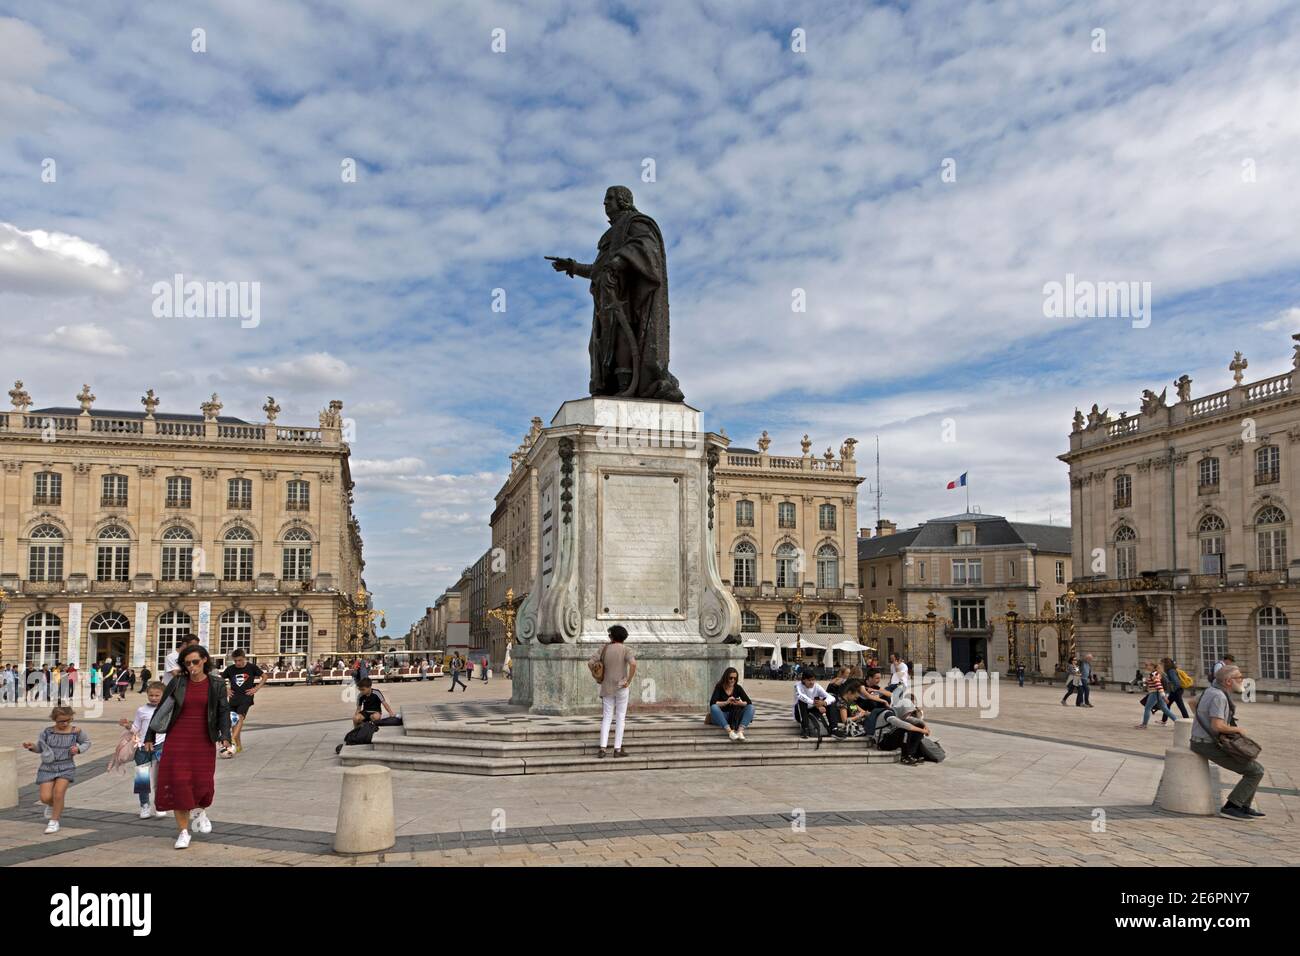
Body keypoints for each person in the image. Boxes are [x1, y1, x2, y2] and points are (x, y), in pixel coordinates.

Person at [143, 644, 233, 850]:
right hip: (178, 739)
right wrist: (150, 734)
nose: (191, 666)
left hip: (203, 739)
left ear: (204, 660)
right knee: (179, 783)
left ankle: (200, 812)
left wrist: (226, 735)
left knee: (202, 783)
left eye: (195, 661)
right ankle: (183, 832)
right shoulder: (178, 682)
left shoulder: (216, 683)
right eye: (187, 663)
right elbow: (161, 711)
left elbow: (223, 711)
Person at [1190, 665, 1265, 821]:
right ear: (1229, 681)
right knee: (1255, 771)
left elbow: (1192, 702)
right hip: (1208, 744)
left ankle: (1243, 806)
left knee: (1254, 767)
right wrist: (1238, 730)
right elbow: (1217, 726)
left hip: (1201, 740)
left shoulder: (1210, 690)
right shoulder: (1219, 696)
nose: (1242, 680)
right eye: (1239, 677)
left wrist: (1201, 720)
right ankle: (1232, 807)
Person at [24, 706, 91, 834]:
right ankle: (52, 805)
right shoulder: (48, 732)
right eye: (61, 721)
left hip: (66, 766)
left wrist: (79, 749)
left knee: (59, 794)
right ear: (54, 719)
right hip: (47, 767)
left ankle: (54, 821)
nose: (65, 723)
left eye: (67, 720)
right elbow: (41, 748)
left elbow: (87, 742)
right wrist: (32, 747)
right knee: (45, 797)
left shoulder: (75, 731)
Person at [120, 681, 168, 819]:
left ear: (163, 695)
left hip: (160, 745)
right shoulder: (142, 710)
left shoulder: (167, 710)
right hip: (141, 747)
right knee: (142, 778)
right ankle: (144, 805)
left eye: (157, 695)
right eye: (151, 695)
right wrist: (127, 725)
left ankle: (160, 804)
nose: (153, 698)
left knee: (160, 777)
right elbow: (136, 728)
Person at [590, 625, 637, 758]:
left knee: (607, 717)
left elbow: (590, 663)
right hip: (621, 686)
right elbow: (633, 664)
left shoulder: (603, 649)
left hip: (606, 686)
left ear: (612, 636)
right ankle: (617, 749)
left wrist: (597, 675)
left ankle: (603, 748)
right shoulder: (626, 649)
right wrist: (629, 680)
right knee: (620, 717)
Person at [220, 649, 267, 756]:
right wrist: (226, 689)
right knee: (233, 720)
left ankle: (231, 740)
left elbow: (264, 676)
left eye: (240, 660)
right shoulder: (230, 669)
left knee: (240, 717)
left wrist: (256, 688)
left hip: (246, 697)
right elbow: (220, 680)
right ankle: (239, 745)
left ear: (244, 658)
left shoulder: (251, 667)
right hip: (233, 698)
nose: (237, 663)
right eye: (235, 661)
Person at [877, 698, 934, 766]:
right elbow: (904, 725)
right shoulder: (888, 713)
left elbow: (916, 721)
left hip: (892, 739)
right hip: (883, 742)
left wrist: (925, 727)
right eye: (908, 712)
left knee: (919, 726)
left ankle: (911, 755)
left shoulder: (900, 714)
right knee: (905, 729)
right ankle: (905, 757)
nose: (909, 715)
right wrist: (923, 731)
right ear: (902, 709)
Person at [708, 667, 754, 741]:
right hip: (722, 715)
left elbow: (748, 702)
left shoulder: (737, 687)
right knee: (714, 707)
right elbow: (712, 703)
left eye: (735, 678)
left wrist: (739, 703)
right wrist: (726, 702)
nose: (733, 680)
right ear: (726, 677)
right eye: (730, 678)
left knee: (751, 707)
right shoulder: (719, 687)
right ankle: (730, 732)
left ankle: (740, 731)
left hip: (735, 715)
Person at [793, 671, 838, 737]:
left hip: (814, 710)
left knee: (831, 702)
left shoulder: (817, 686)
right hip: (801, 712)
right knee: (801, 702)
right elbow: (801, 696)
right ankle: (805, 729)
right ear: (803, 680)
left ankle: (834, 729)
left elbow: (831, 698)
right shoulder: (797, 686)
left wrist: (824, 703)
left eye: (813, 680)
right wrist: (816, 704)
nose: (811, 682)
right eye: (809, 680)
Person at [1135, 660, 1178, 728]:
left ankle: (1144, 724)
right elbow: (1156, 684)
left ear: (1152, 666)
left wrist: (1164, 696)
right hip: (1157, 693)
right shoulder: (1155, 673)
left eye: (1147, 665)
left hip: (1155, 693)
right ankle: (1178, 722)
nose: (1145, 667)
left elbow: (1158, 685)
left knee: (1147, 708)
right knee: (1164, 709)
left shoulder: (1154, 674)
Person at [1160, 656, 1190, 722]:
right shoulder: (1170, 670)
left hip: (1176, 691)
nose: (1161, 665)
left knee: (1180, 706)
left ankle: (1187, 720)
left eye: (1162, 663)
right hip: (1176, 691)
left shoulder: (1171, 671)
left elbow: (1176, 682)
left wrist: (1173, 690)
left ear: (1166, 664)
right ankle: (1163, 720)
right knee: (1168, 704)